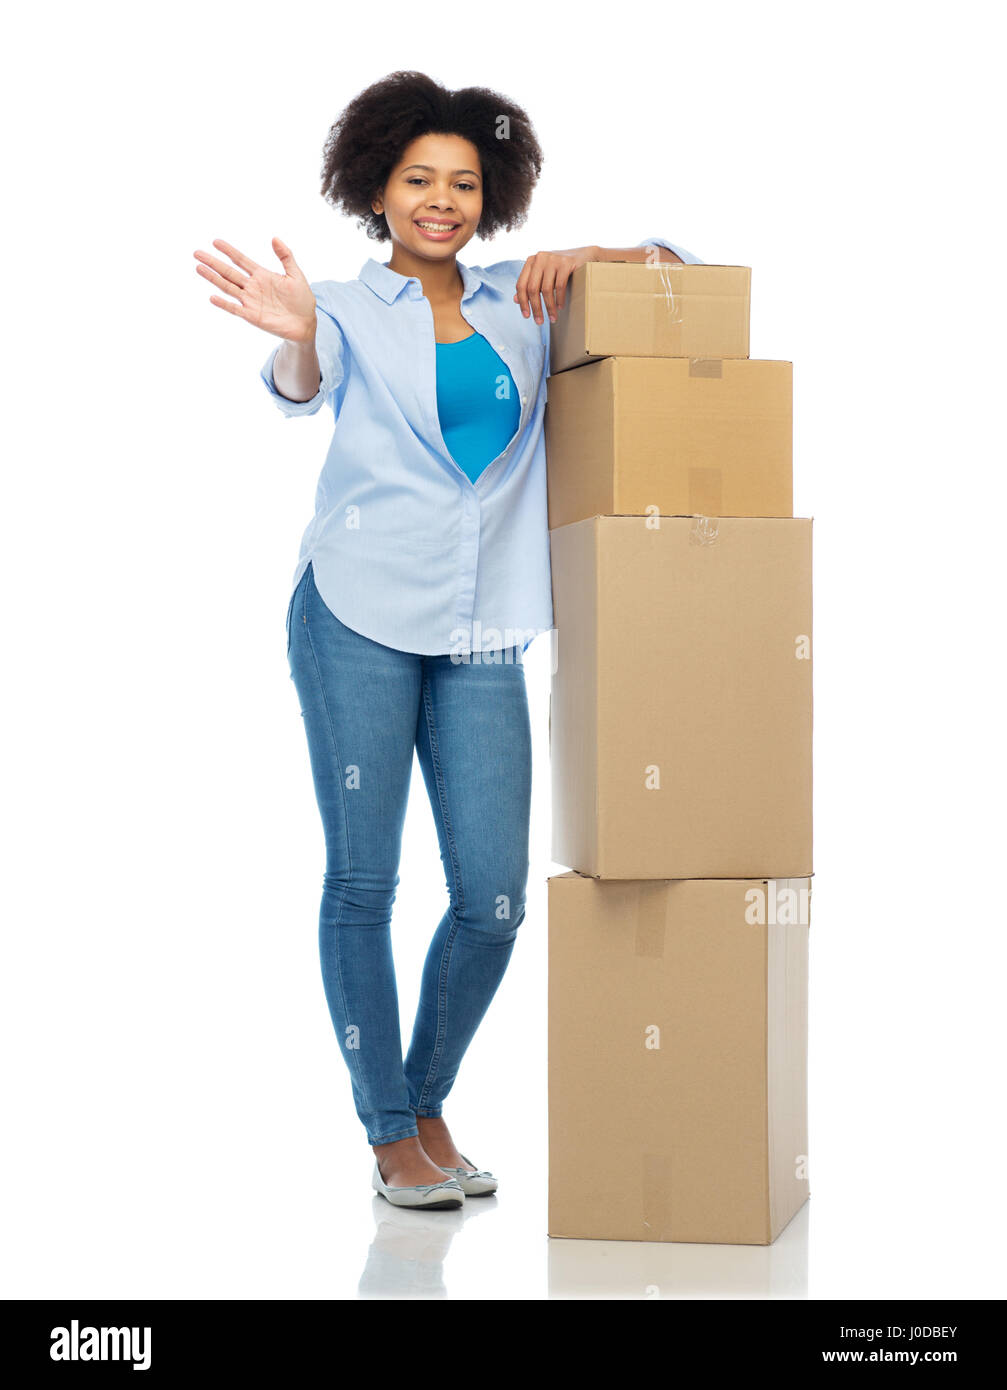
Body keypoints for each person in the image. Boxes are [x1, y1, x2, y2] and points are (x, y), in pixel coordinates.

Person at [193, 69, 702, 1210]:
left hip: (480, 626)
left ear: (492, 194)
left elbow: (683, 280)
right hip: (356, 611)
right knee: (363, 876)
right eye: (418, 179)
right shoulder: (338, 305)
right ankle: (388, 1136)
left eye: (464, 182)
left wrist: (601, 258)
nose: (441, 200)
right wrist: (298, 336)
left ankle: (422, 1102)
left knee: (493, 898)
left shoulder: (519, 303)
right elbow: (295, 381)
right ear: (376, 186)